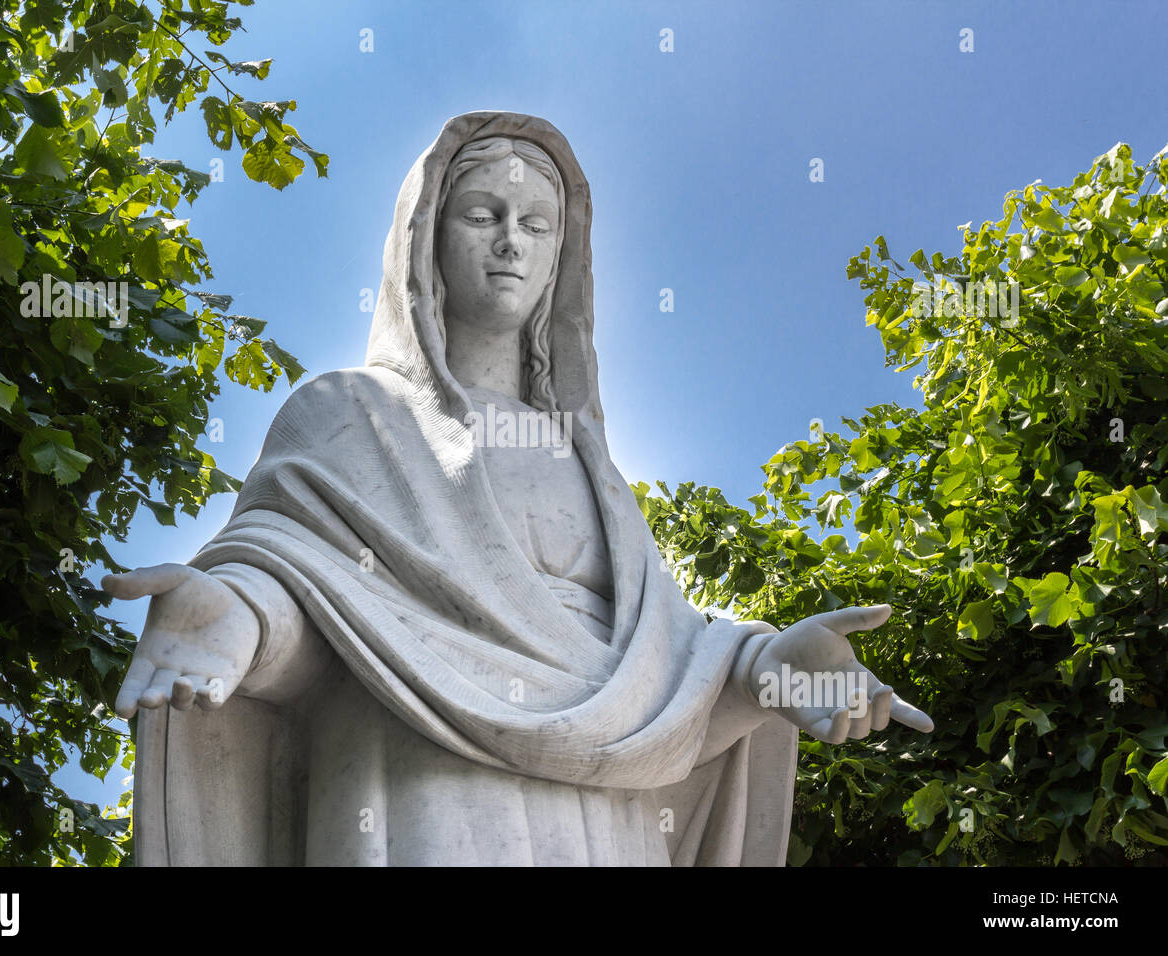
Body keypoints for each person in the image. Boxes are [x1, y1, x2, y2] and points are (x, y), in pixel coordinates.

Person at [104, 111, 933, 866]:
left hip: (607, 810)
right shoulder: (349, 414)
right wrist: (238, 618)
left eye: (536, 224)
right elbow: (317, 609)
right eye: (482, 216)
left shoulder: (594, 470)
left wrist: (768, 666)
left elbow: (664, 666)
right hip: (420, 781)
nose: (512, 242)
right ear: (426, 241)